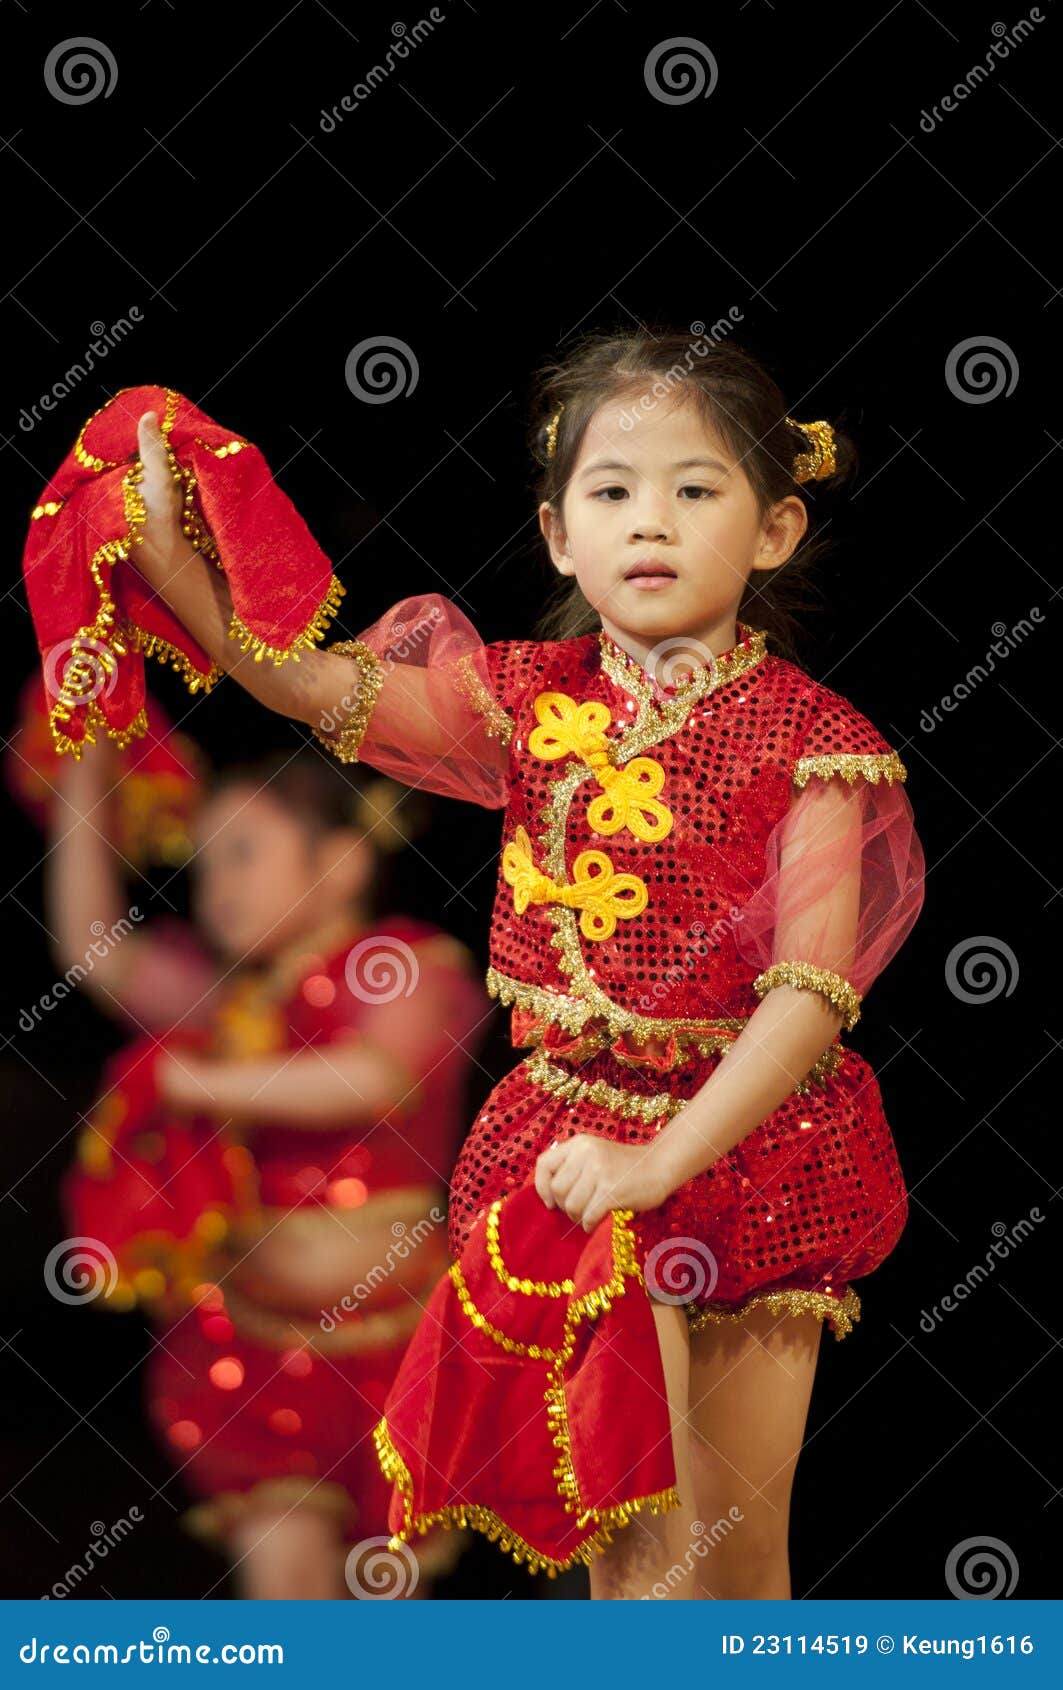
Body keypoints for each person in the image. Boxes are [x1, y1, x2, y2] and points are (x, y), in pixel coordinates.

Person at [30, 333, 926, 1600]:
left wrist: (666, 1155)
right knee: (646, 1560)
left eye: (696, 488)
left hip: (761, 1149)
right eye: (611, 493)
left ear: (775, 529)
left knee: (744, 1557)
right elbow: (296, 681)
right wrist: (169, 555)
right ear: (560, 535)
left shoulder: (819, 746)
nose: (650, 521)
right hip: (573, 1161)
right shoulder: (518, 700)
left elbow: (807, 1002)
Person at [44, 732, 489, 1599]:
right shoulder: (231, 998)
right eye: (206, 865)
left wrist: (200, 1079)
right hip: (244, 1355)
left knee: (378, 1611)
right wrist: (84, 774)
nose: (220, 889)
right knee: (288, 1591)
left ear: (344, 861)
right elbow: (93, 953)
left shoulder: (403, 967)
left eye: (245, 854)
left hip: (404, 1364)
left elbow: (371, 1079)